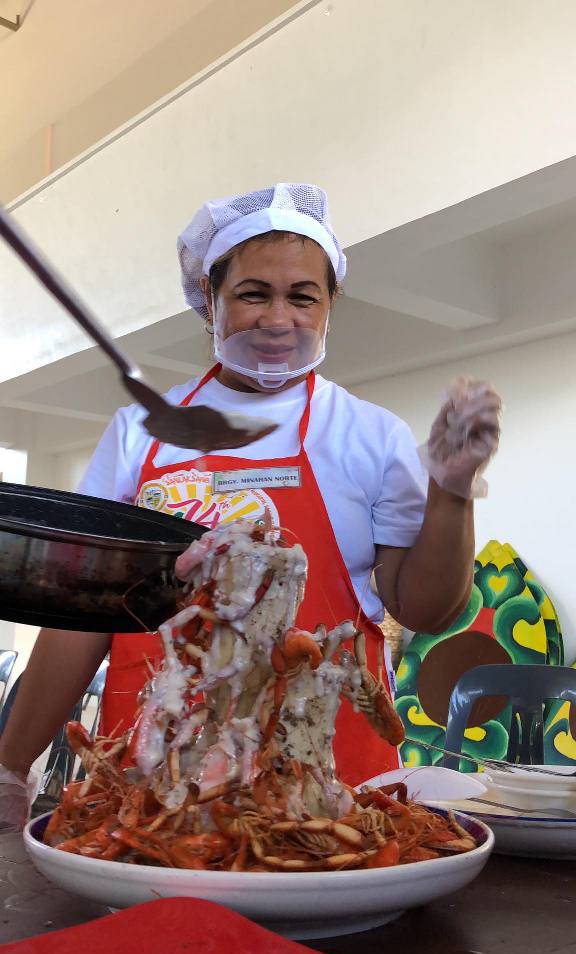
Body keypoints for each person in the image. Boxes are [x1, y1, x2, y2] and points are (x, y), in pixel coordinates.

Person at [0, 183, 501, 826]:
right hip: (154, 785)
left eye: (303, 296)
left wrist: (452, 492)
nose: (277, 319)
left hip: (329, 791)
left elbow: (425, 609)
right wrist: (10, 763)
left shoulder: (369, 434)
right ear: (210, 299)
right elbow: (84, 614)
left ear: (330, 304)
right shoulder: (141, 433)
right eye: (253, 294)